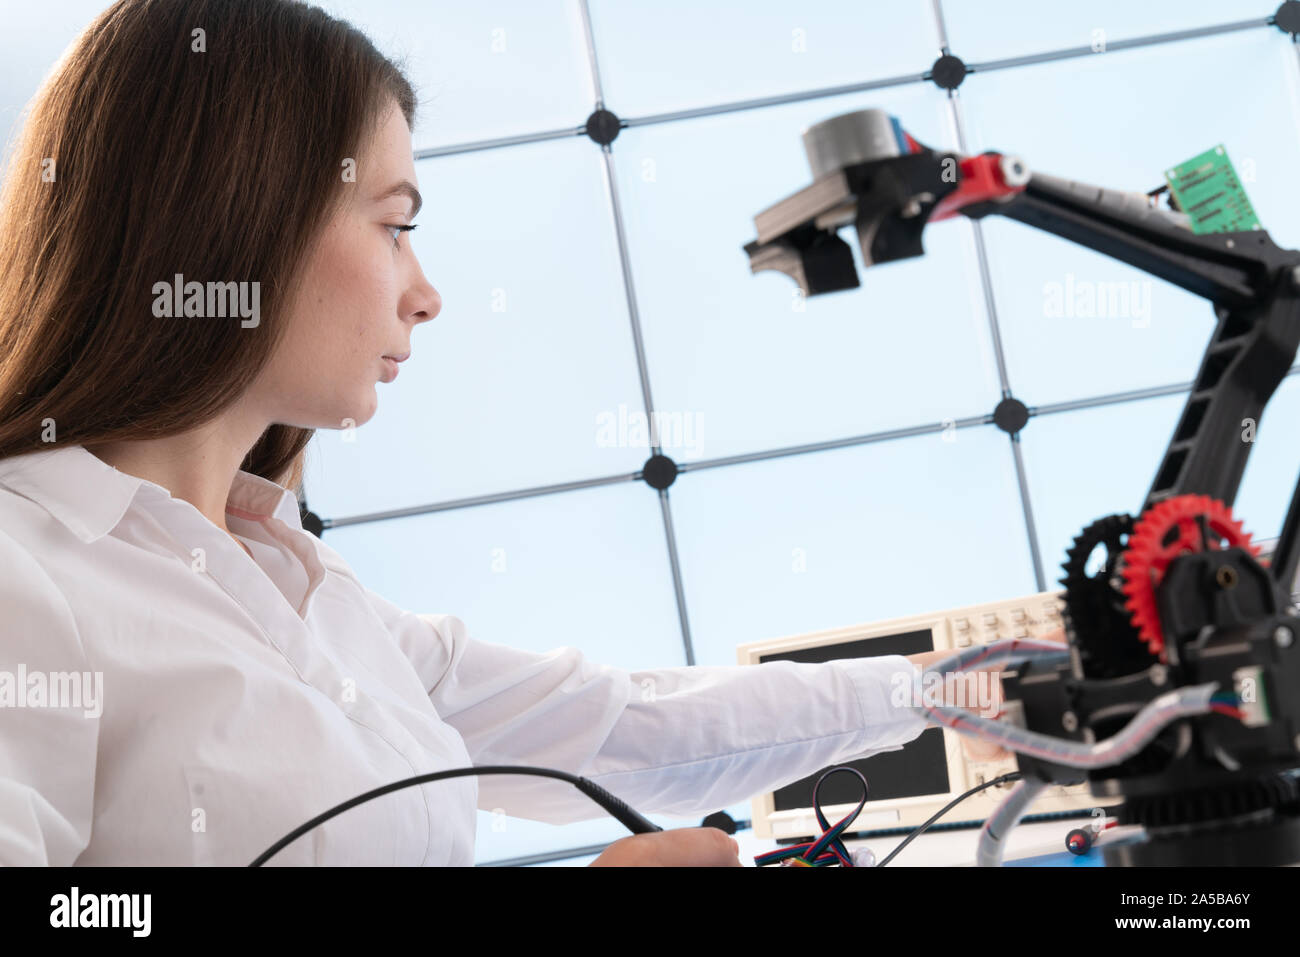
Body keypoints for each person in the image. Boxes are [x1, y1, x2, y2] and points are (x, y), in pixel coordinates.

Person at [0, 0, 1034, 867]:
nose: (426, 293)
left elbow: (628, 729)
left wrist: (967, 688)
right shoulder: (24, 569)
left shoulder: (320, 605)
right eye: (395, 224)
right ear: (238, 209)